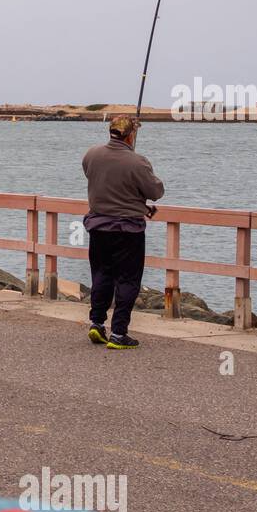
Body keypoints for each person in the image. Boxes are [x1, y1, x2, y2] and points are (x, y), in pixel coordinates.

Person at [81, 114, 165, 349]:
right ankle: (118, 333)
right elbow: (156, 191)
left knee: (101, 275)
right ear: (131, 135)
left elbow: (92, 175)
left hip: (98, 227)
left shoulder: (91, 155)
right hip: (128, 230)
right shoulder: (137, 162)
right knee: (127, 279)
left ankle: (97, 324)